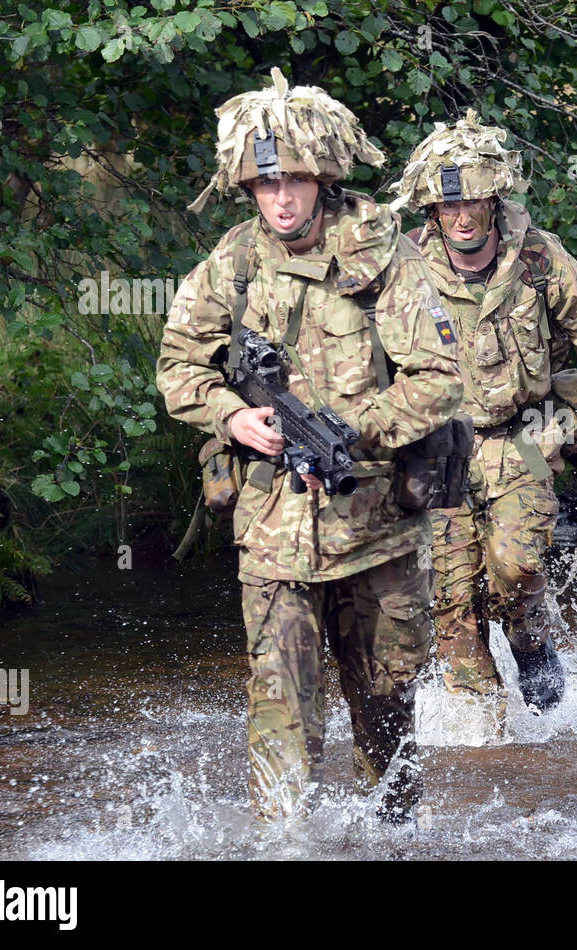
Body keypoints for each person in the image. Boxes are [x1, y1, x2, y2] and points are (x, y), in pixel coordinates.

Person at [156, 68, 463, 821]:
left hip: (377, 531)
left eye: (294, 181)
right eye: (267, 186)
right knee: (280, 712)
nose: (282, 199)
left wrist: (358, 430)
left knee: (386, 716)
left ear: (323, 177)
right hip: (273, 534)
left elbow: (439, 378)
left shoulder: (382, 258)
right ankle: (284, 844)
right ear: (248, 190)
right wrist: (232, 416)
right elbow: (176, 368)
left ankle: (391, 841)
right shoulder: (231, 266)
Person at [388, 110, 577, 713]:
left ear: (495, 200)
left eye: (474, 205)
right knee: (450, 604)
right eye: (447, 207)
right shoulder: (403, 267)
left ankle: (530, 640)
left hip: (527, 437)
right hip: (438, 448)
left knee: (515, 569)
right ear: (430, 209)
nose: (461, 219)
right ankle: (489, 744)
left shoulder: (539, 260)